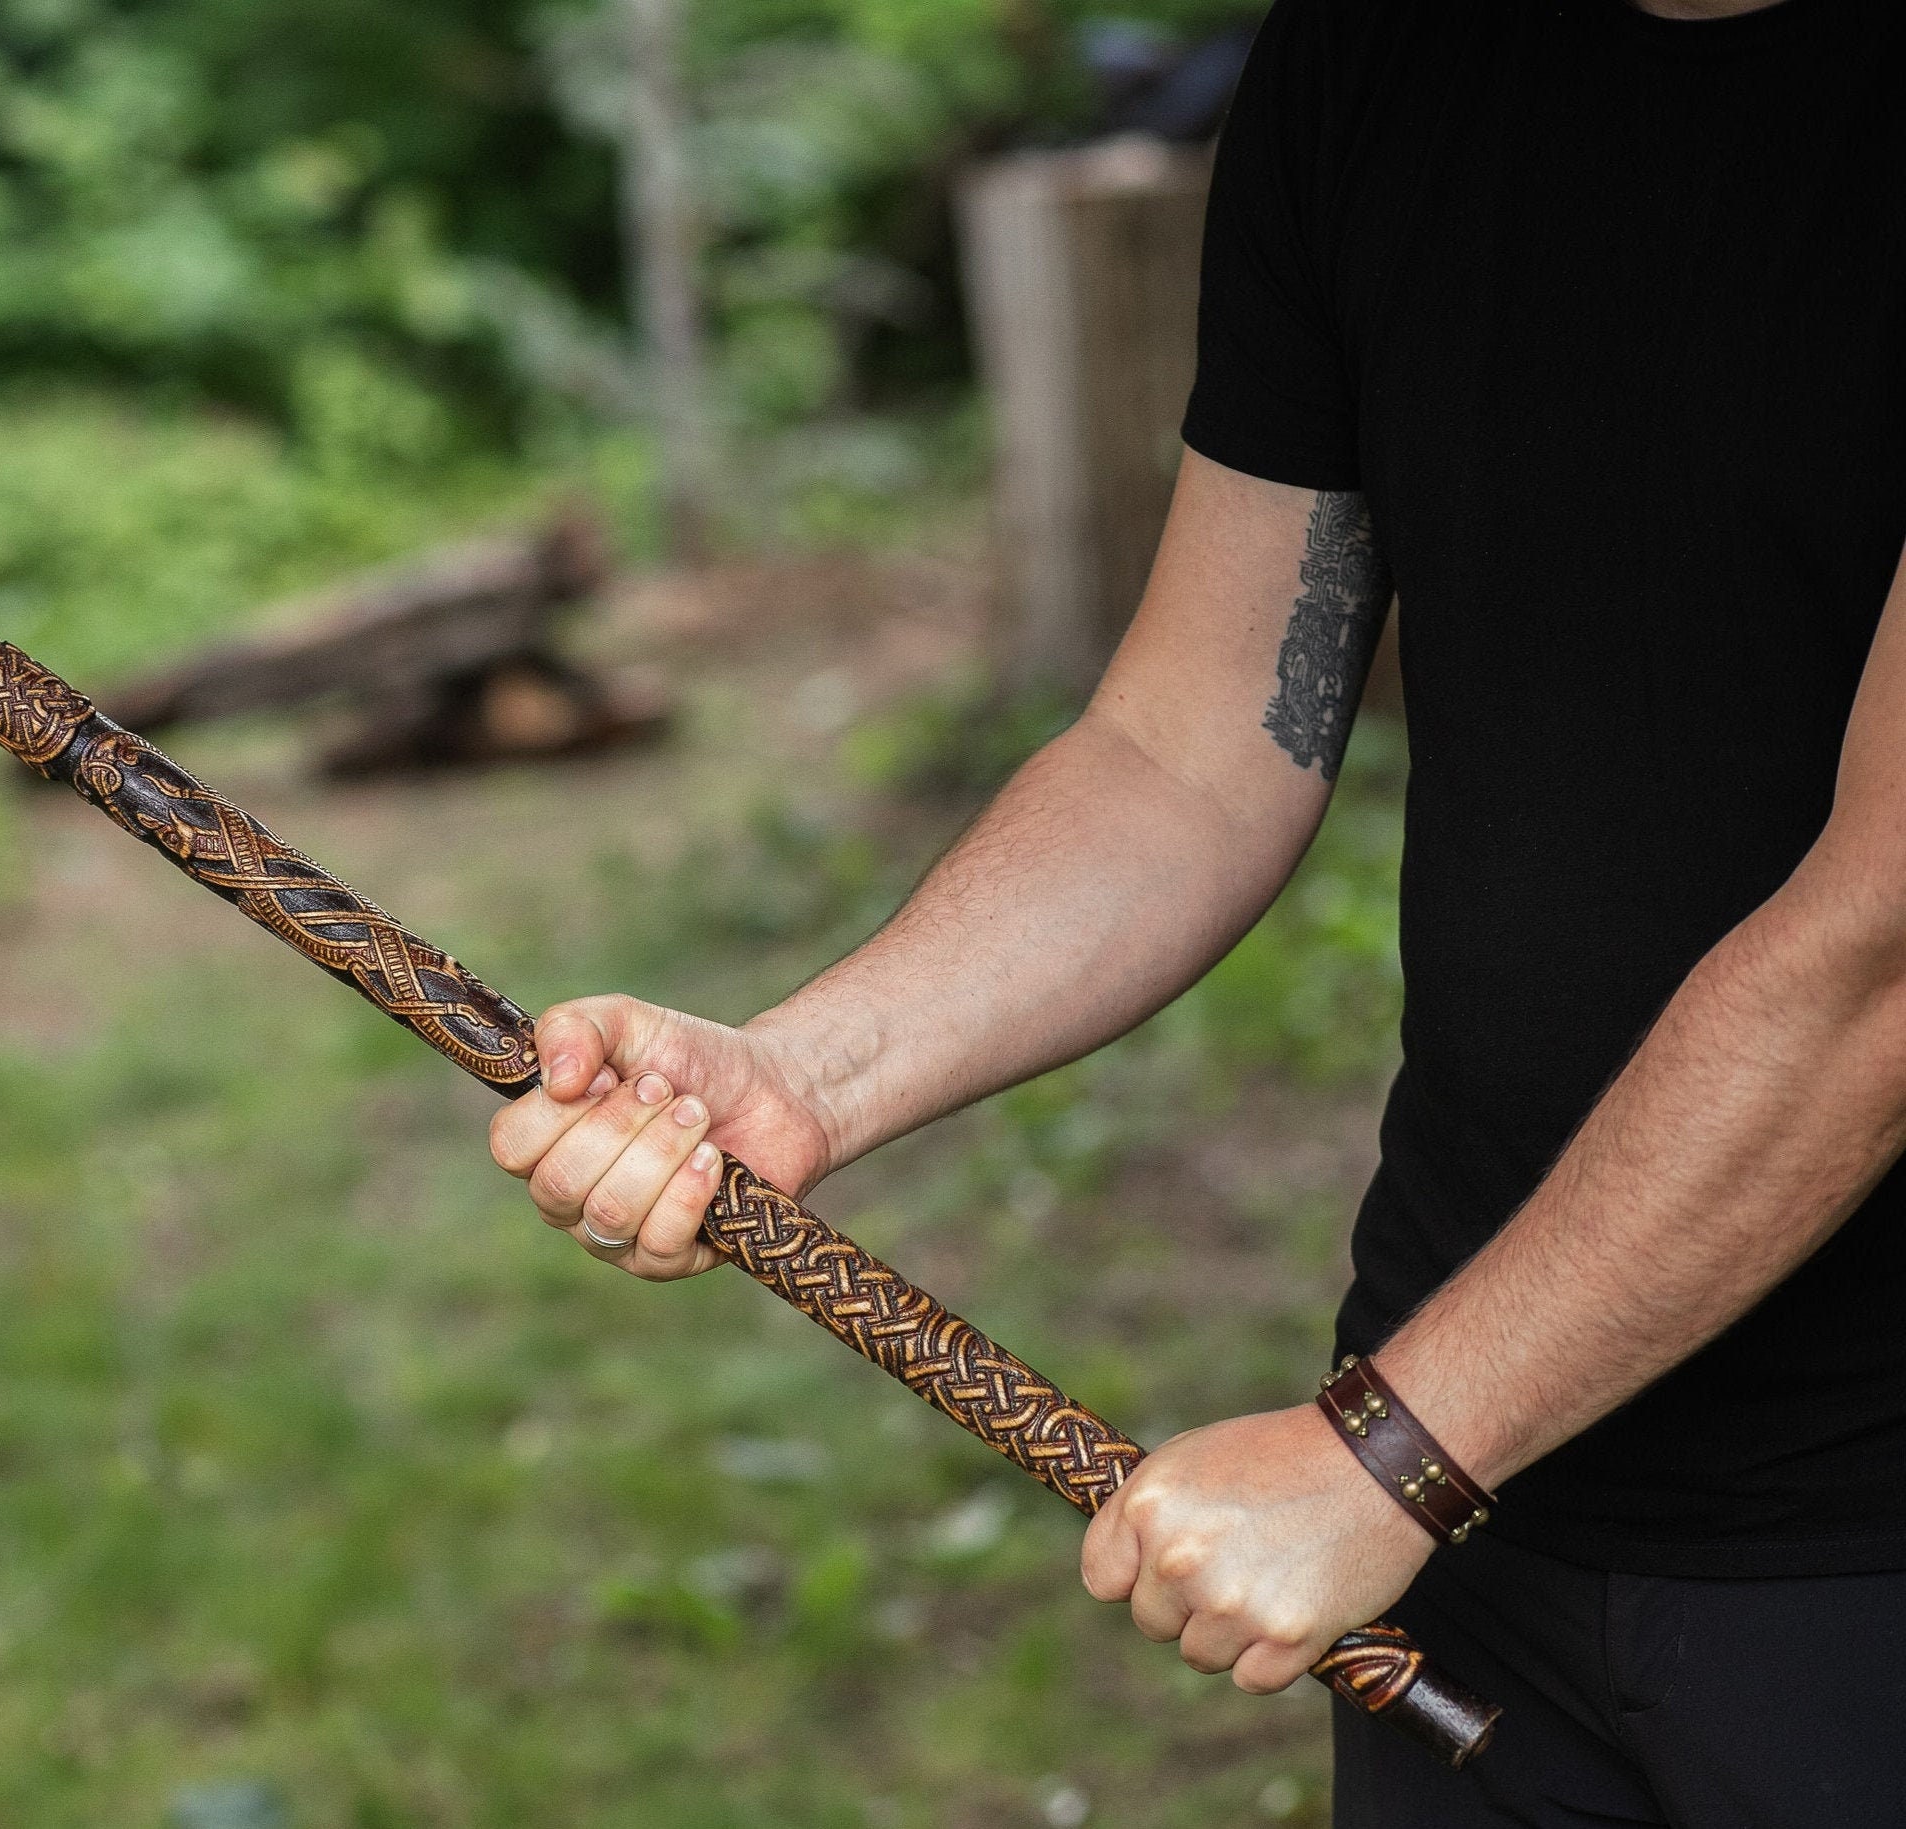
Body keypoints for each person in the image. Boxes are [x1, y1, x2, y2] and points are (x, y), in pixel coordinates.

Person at [488, 0, 1906, 1820]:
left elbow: (1877, 954)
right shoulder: (1384, 54)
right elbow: (1195, 744)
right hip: (1479, 1491)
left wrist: (1392, 1455)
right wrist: (799, 1076)